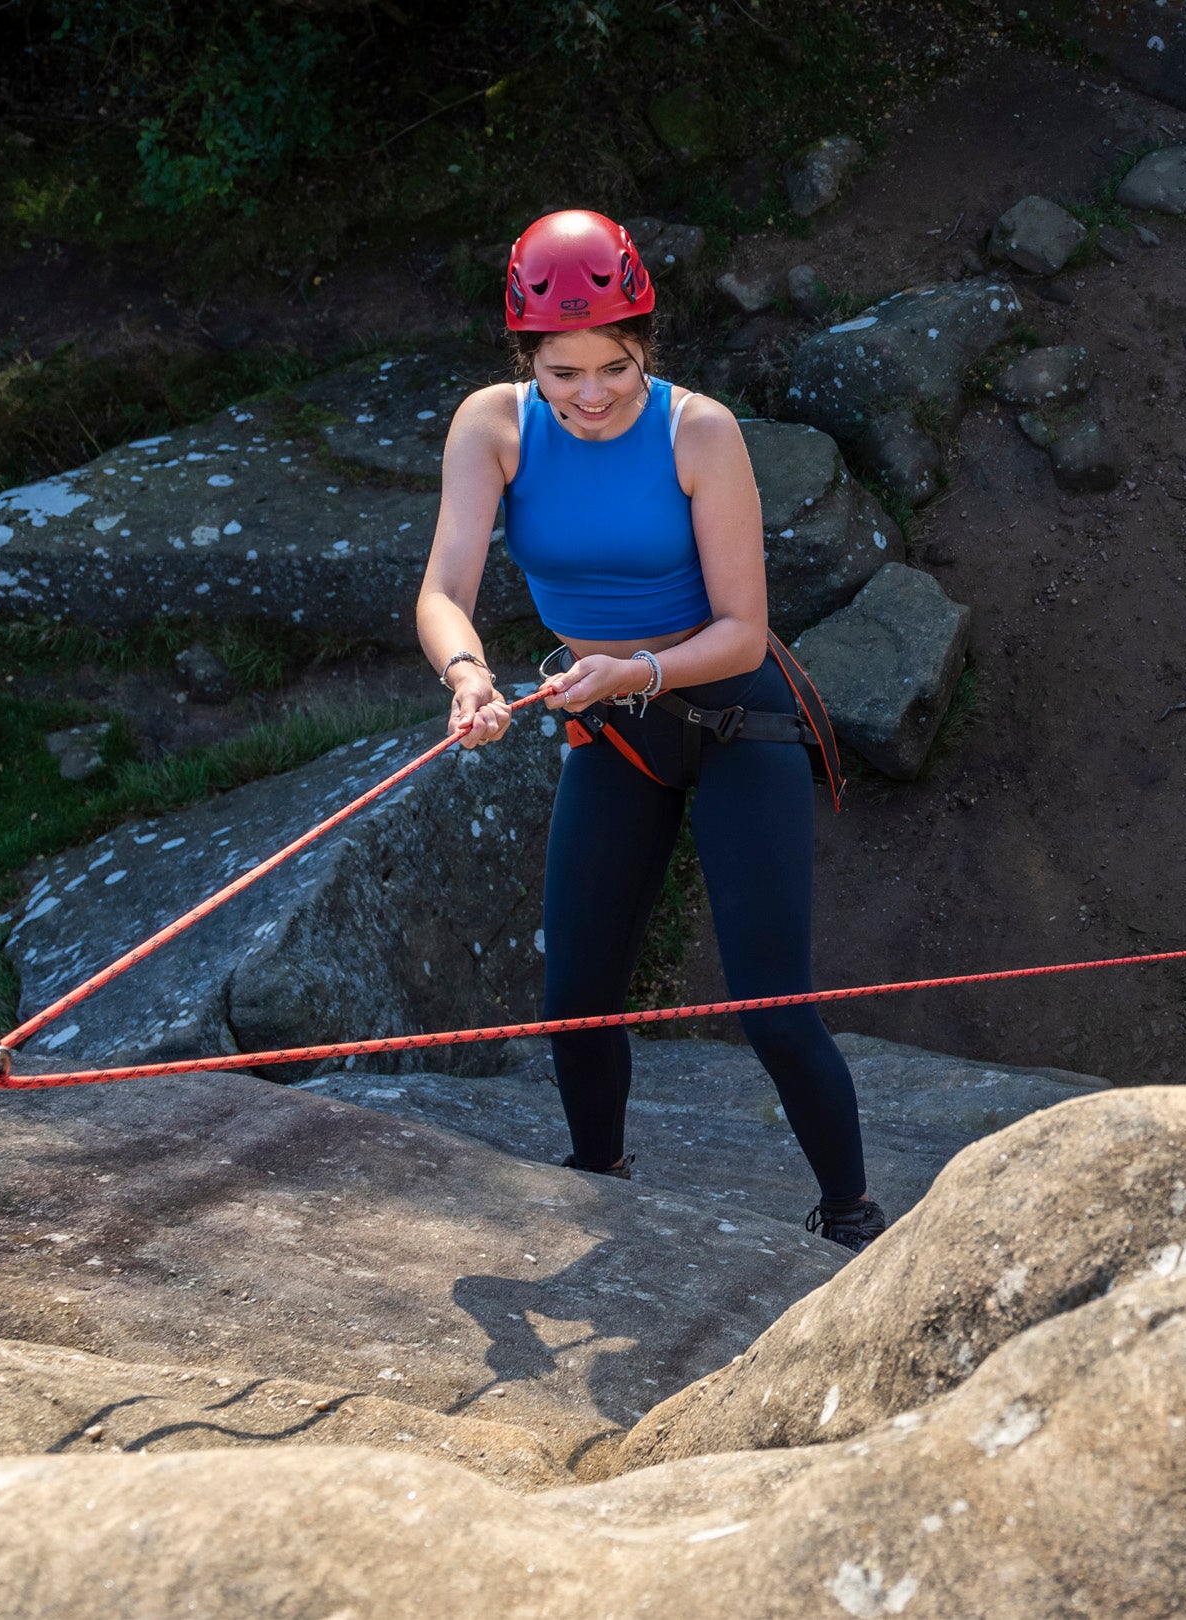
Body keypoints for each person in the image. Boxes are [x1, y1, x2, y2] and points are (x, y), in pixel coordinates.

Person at [414, 210, 885, 1250]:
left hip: (727, 715)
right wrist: (467, 676)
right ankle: (599, 1179)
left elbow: (745, 630)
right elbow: (444, 589)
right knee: (575, 995)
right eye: (563, 372)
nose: (590, 396)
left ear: (647, 348)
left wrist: (639, 669)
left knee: (771, 1002)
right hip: (611, 726)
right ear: (525, 359)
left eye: (615, 369)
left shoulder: (698, 432)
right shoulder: (492, 426)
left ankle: (853, 1216)